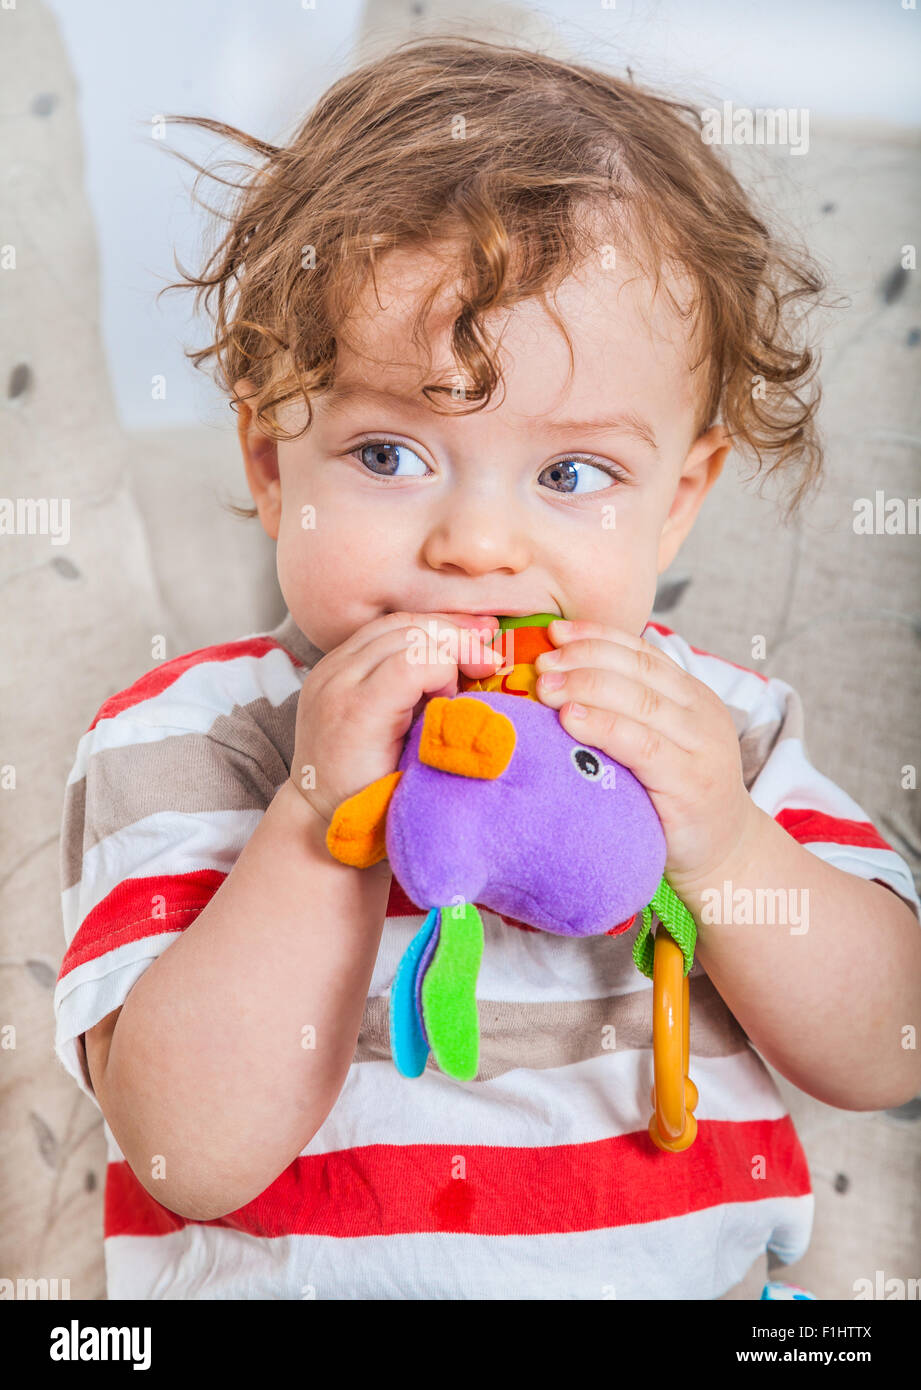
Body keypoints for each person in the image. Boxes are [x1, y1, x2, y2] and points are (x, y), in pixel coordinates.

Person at [54, 36, 921, 1300]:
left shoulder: (715, 730)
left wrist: (728, 846)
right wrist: (315, 822)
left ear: (675, 503)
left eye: (574, 475)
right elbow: (190, 1153)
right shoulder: (190, 740)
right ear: (266, 461)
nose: (475, 547)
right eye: (390, 455)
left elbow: (885, 1046)